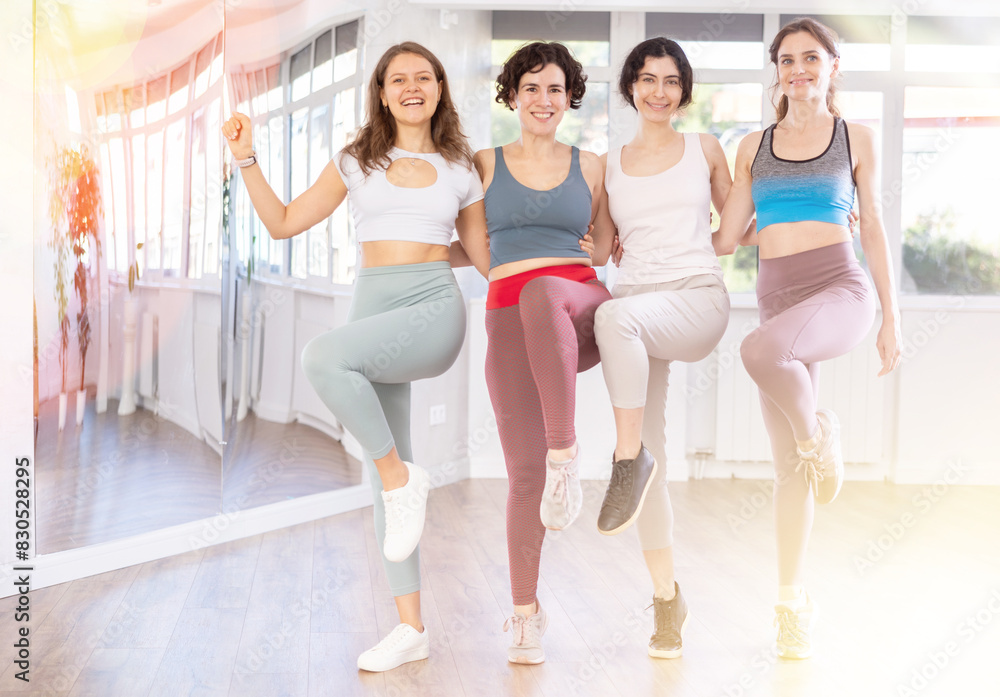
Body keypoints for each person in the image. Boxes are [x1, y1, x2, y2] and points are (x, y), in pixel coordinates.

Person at [222, 41, 491, 672]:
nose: (412, 87)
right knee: (385, 484)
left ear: (440, 88)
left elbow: (483, 256)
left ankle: (403, 479)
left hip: (432, 309)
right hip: (371, 305)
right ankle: (411, 626)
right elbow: (284, 222)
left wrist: (572, 254)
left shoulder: (462, 168)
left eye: (424, 76)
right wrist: (246, 159)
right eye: (398, 79)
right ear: (381, 91)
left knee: (324, 361)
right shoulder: (355, 160)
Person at [714, 17, 901, 659]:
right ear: (777, 70)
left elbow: (872, 225)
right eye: (788, 60)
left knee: (759, 351)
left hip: (841, 288)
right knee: (789, 468)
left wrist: (892, 318)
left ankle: (819, 433)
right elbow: (724, 237)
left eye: (811, 58)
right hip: (777, 294)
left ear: (832, 66)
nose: (799, 69)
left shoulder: (856, 138)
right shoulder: (751, 146)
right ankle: (792, 604)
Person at [593, 37, 749, 659]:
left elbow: (734, 232)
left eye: (671, 80)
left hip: (695, 298)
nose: (659, 90)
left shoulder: (704, 150)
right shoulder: (608, 164)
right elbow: (601, 250)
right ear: (631, 86)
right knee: (652, 453)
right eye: (648, 79)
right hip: (637, 310)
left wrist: (816, 222)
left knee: (615, 316)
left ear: (683, 92)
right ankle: (666, 601)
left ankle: (624, 462)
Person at [474, 41, 615, 664]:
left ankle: (568, 451)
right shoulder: (481, 163)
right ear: (511, 96)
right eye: (531, 87)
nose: (543, 99)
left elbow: (607, 247)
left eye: (555, 88)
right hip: (510, 315)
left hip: (577, 306)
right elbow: (472, 247)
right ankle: (525, 616)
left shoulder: (592, 166)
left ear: (569, 98)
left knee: (541, 290)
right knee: (523, 478)